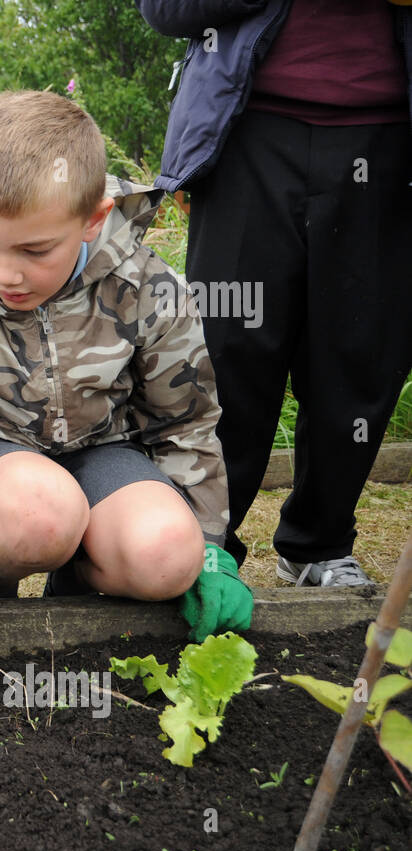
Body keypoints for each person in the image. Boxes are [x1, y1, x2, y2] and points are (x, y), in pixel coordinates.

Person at [0, 90, 251, 642]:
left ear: (93, 219)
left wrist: (210, 548)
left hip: (104, 454)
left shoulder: (150, 289)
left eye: (34, 251)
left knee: (171, 556)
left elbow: (185, 425)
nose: (5, 274)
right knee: (39, 517)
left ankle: (75, 579)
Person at [137, 1, 412, 587]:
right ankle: (204, 545)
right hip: (245, 135)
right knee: (225, 354)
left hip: (389, 141)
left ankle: (318, 544)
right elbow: (163, 9)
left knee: (360, 358)